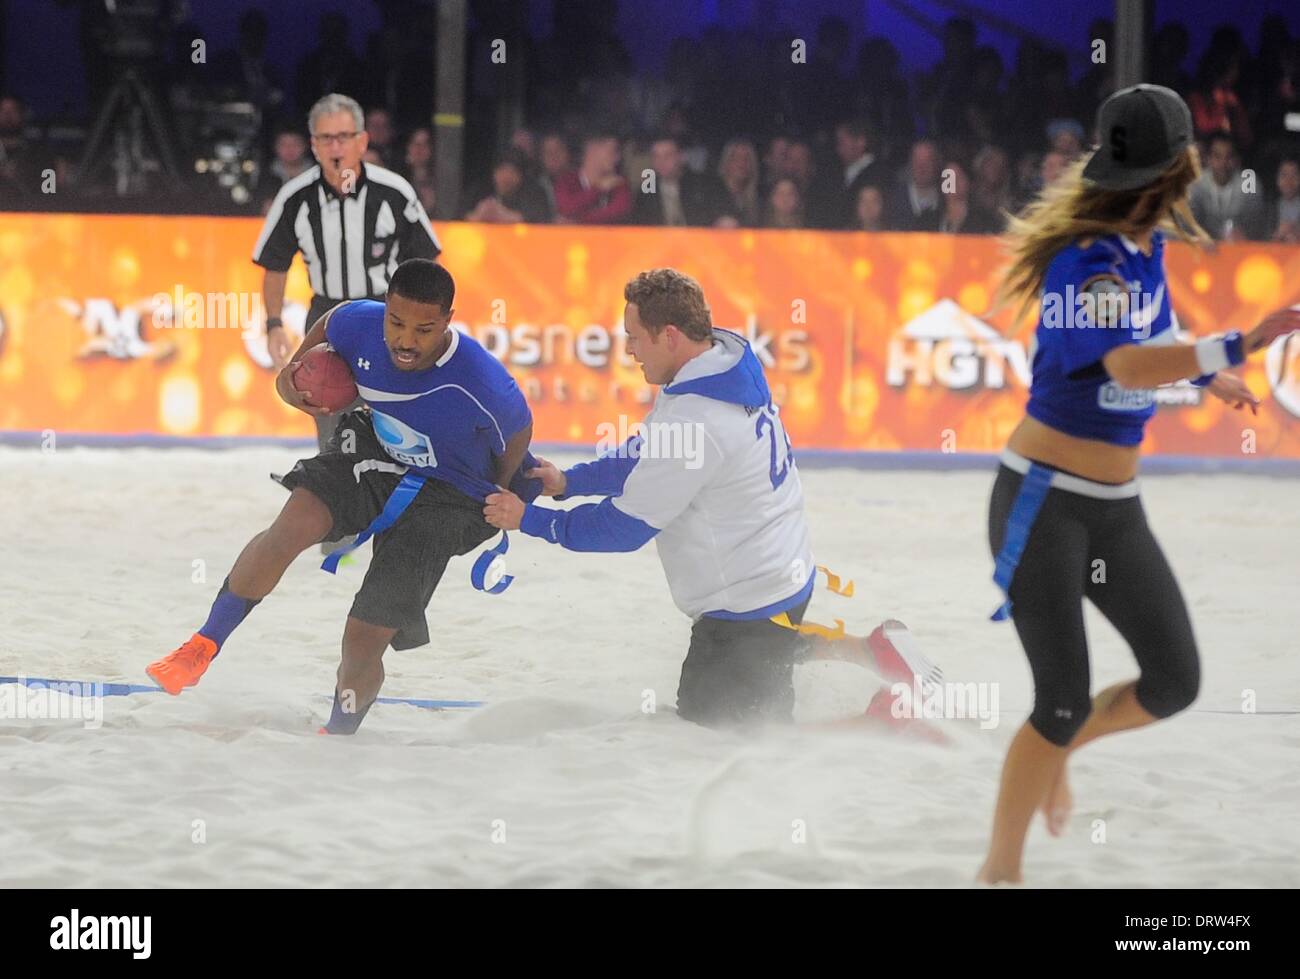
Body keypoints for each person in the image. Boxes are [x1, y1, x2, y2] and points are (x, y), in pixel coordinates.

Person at [978, 84, 1300, 884]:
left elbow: (1146, 340)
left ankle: (1063, 747)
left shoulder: (1141, 245)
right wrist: (1239, 344)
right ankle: (999, 873)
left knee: (1175, 679)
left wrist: (1202, 379)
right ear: (1174, 168)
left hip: (1115, 508)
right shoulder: (1087, 262)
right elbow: (1122, 362)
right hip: (1043, 500)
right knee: (1057, 699)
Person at [145, 260, 540, 735]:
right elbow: (306, 353)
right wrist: (289, 388)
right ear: (385, 310)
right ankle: (203, 645)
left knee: (364, 632)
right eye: (396, 322)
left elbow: (518, 436)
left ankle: (338, 732)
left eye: (424, 328)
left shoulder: (482, 382)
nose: (406, 340)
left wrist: (499, 498)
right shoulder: (354, 321)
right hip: (377, 447)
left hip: (453, 489)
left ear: (448, 321)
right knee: (290, 527)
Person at [482, 269, 815, 727]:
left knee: (732, 739)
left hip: (744, 611)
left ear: (671, 336)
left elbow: (624, 528)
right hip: (780, 576)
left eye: (635, 337)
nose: (630, 349)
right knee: (762, 717)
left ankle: (879, 722)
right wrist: (569, 482)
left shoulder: (696, 420)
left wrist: (531, 520)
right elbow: (645, 452)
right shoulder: (720, 364)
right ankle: (854, 651)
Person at [253, 93, 441, 546]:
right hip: (329, 318)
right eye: (325, 138)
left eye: (343, 136)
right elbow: (275, 263)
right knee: (328, 413)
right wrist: (274, 322)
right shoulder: (295, 198)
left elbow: (428, 266)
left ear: (361, 140)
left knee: (397, 417)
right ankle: (335, 525)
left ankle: (397, 520)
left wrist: (427, 330)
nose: (335, 147)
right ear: (313, 145)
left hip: (385, 314)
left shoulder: (395, 192)